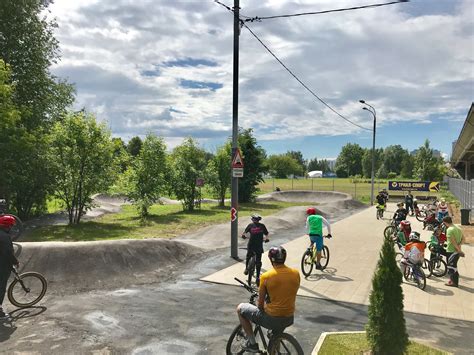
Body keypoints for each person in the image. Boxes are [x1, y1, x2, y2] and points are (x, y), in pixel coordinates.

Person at [236, 246, 300, 353]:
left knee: (240, 309)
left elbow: (260, 305)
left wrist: (264, 305)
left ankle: (252, 344)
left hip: (273, 319)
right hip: (289, 317)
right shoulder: (295, 273)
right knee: (275, 336)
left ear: (271, 259)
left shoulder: (266, 276)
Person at [241, 214, 269, 286]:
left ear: (253, 219)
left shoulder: (250, 225)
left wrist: (243, 236)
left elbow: (244, 233)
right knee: (258, 261)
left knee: (248, 256)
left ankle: (247, 269)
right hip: (259, 245)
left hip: (251, 244)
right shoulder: (262, 226)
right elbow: (267, 234)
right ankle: (257, 277)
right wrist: (266, 239)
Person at [0, 215, 19, 319]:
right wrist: (15, 261)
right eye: (11, 226)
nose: (11, 228)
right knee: (1, 287)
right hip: (2, 265)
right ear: (7, 226)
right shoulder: (5, 237)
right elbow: (8, 252)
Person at [442, 216, 464, 287]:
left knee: (452, 267)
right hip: (457, 250)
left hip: (451, 251)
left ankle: (454, 283)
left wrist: (458, 250)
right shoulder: (458, 228)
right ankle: (452, 280)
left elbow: (453, 241)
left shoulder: (449, 230)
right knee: (453, 265)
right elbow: (463, 239)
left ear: (445, 222)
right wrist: (459, 246)